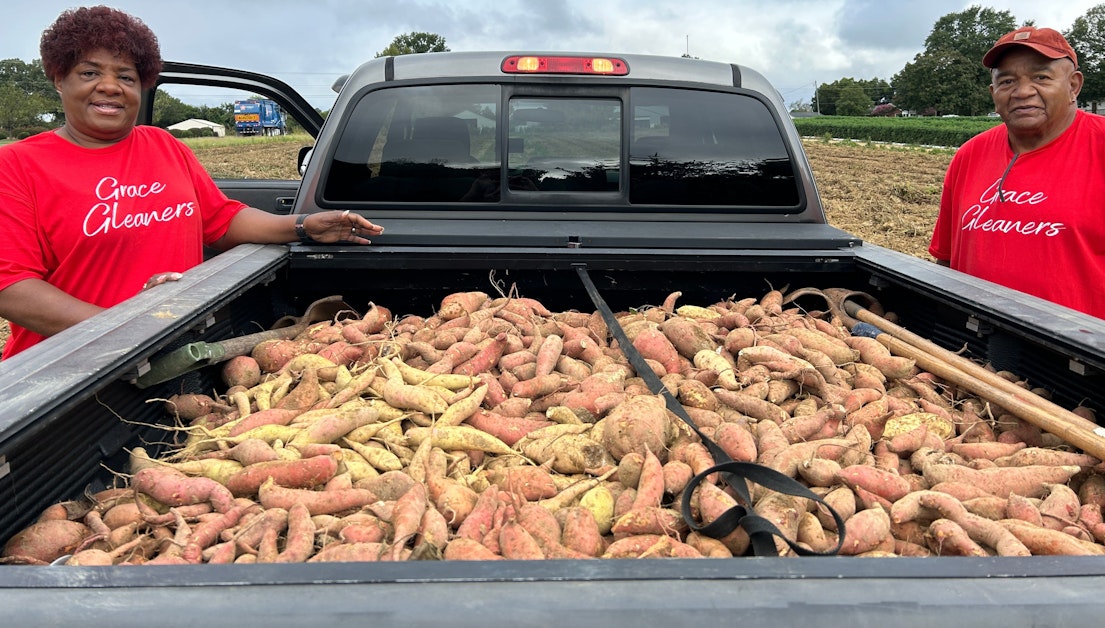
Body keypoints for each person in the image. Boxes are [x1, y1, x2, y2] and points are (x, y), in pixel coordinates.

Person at [0, 6, 383, 359]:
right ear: (58, 78)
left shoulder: (163, 145)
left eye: (126, 77)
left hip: (173, 351)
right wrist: (125, 330)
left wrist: (301, 226)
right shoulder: (17, 165)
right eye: (89, 72)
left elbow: (219, 220)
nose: (110, 86)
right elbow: (12, 288)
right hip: (69, 369)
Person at [929, 25, 1105, 319]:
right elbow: (945, 260)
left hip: (1079, 355)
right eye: (1007, 81)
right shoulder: (969, 155)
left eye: (1041, 77)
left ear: (1074, 85)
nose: (1023, 92)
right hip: (970, 347)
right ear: (993, 92)